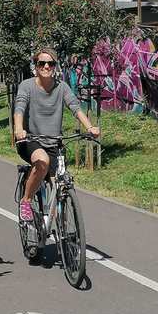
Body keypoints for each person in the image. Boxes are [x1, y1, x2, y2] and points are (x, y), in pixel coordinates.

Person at [13, 47, 99, 223]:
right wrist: (18, 129)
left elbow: (75, 108)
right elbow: (19, 108)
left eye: (50, 63)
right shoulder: (27, 86)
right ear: (36, 66)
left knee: (58, 186)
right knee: (42, 162)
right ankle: (26, 201)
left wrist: (90, 127)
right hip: (30, 140)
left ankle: (60, 233)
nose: (46, 67)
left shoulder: (62, 88)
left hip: (54, 143)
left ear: (55, 66)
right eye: (42, 63)